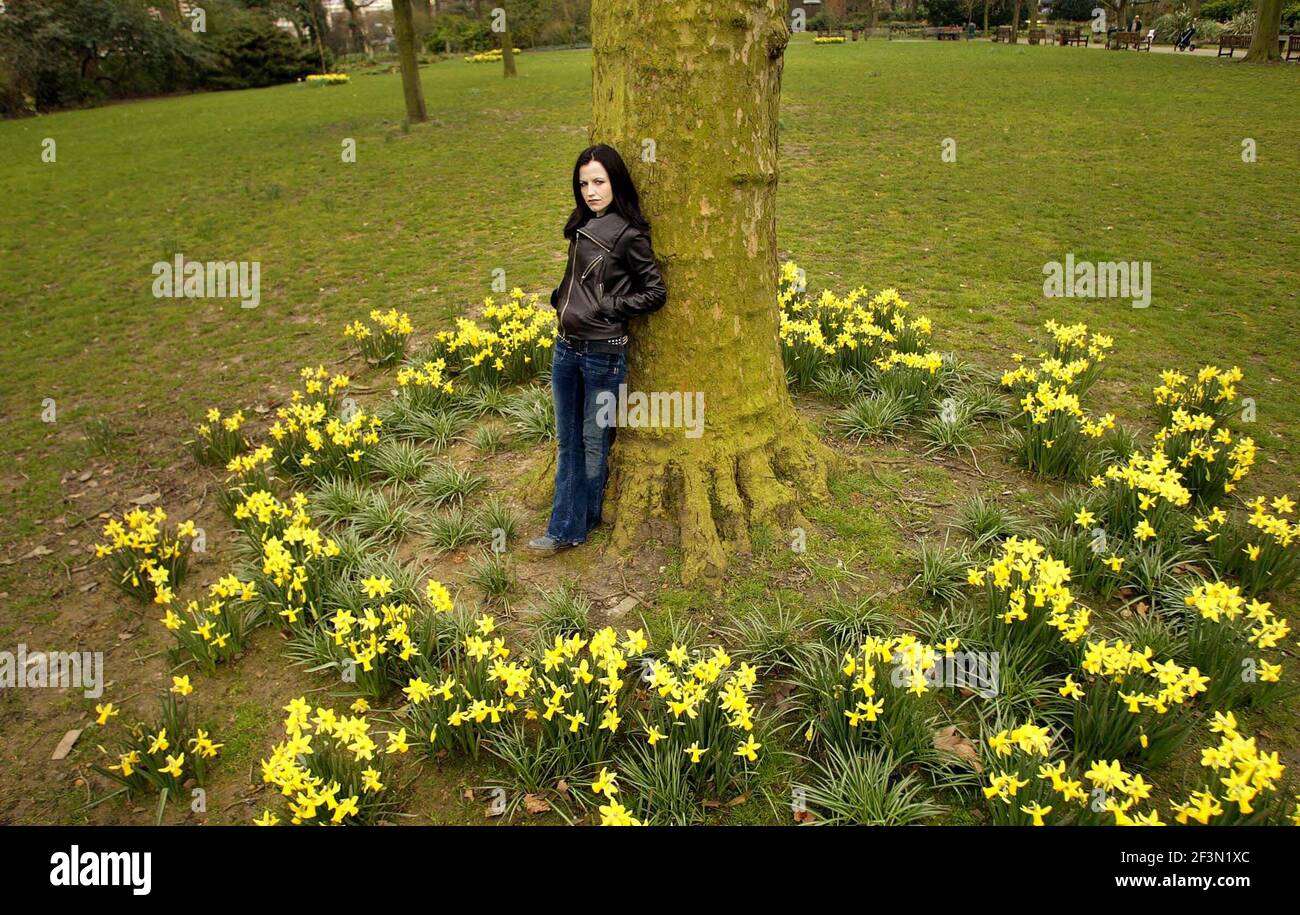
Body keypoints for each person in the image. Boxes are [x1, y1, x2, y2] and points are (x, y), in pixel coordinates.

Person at [526, 144, 668, 554]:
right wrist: (561, 296)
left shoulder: (628, 234)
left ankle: (569, 528)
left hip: (603, 354)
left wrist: (608, 306)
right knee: (568, 440)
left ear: (615, 182)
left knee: (592, 440)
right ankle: (576, 520)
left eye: (599, 182)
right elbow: (581, 278)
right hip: (566, 349)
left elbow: (655, 292)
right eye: (584, 183)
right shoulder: (584, 223)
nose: (590, 191)